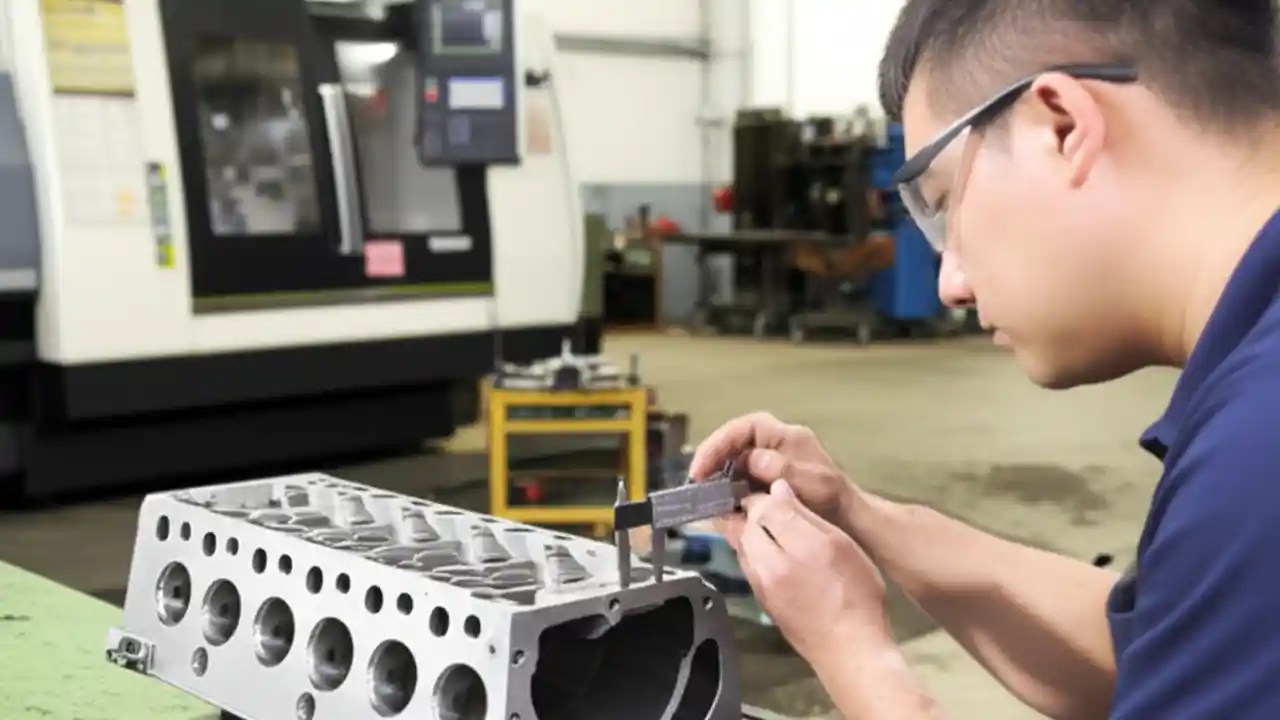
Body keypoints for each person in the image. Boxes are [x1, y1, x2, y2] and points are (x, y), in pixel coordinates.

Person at [690, 1, 1280, 718]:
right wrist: (858, 514)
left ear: (1061, 127)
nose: (952, 285)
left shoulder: (1258, 453)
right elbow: (1158, 643)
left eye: (942, 204)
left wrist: (852, 649)